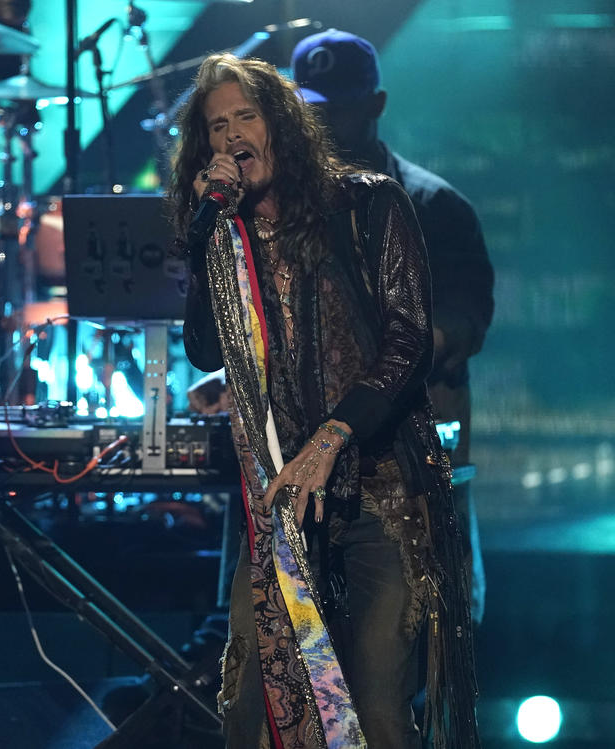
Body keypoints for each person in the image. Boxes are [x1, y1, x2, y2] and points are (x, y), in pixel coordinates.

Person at [169, 53, 479, 748]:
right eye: (217, 126)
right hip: (281, 497)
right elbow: (201, 348)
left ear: (283, 122)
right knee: (252, 708)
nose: (232, 136)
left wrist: (333, 437)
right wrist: (206, 240)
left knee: (374, 708)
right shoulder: (230, 232)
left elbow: (407, 343)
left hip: (378, 485)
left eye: (246, 116)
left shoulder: (368, 203)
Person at [289, 28, 494, 625]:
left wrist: (363, 374)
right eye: (309, 112)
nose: (321, 127)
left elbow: (459, 327)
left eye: (337, 110)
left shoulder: (438, 208)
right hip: (317, 449)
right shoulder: (289, 206)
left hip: (414, 450)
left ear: (375, 105)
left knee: (426, 627)